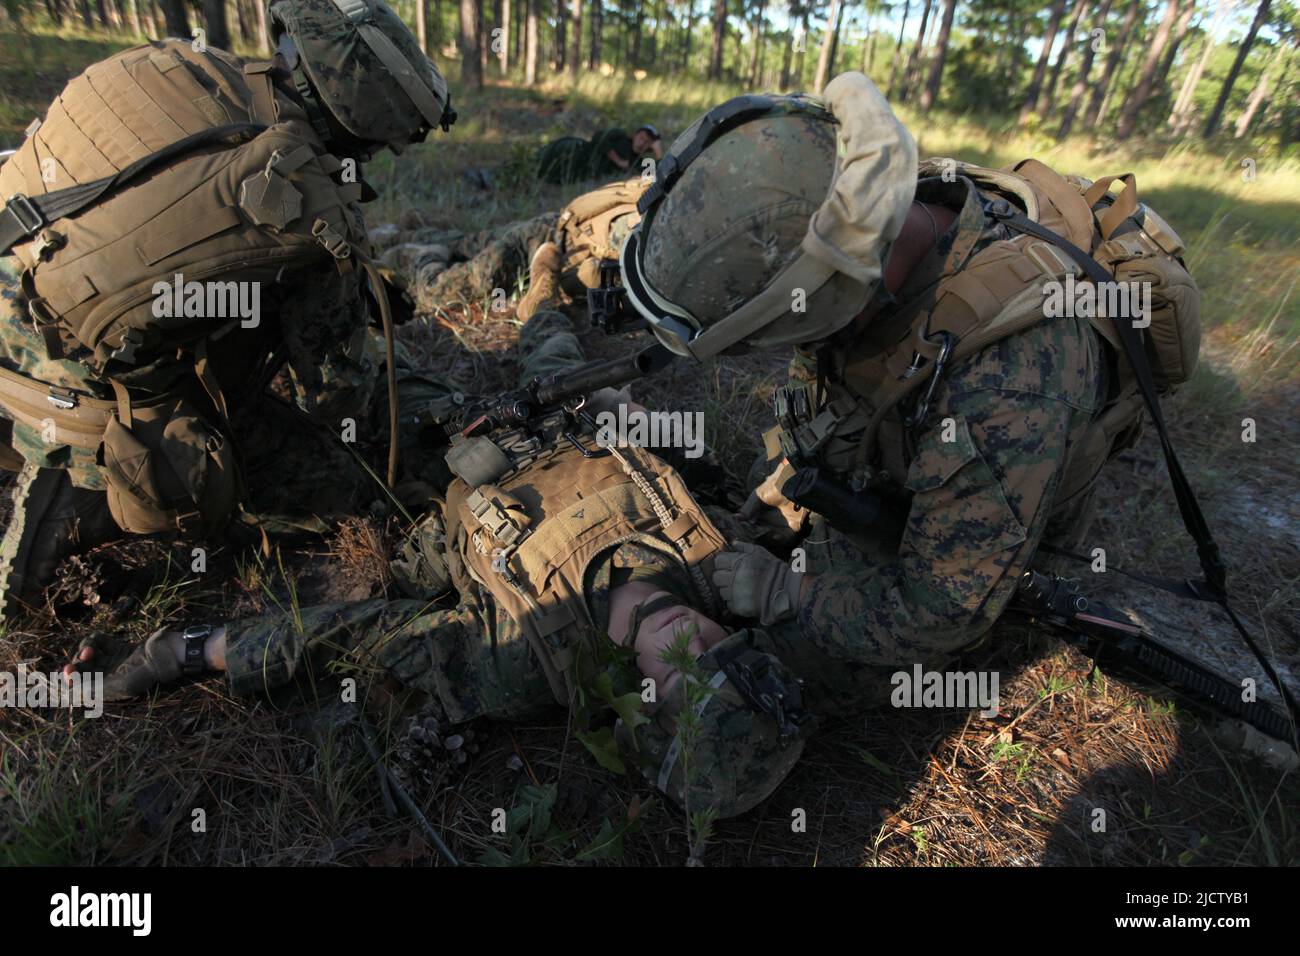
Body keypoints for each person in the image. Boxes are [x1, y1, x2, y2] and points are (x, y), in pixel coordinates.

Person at [71, 282, 815, 820]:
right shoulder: (728, 570)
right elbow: (804, 497)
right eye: (723, 651)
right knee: (548, 332)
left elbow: (346, 637)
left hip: (448, 449)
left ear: (636, 712)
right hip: (564, 407)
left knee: (313, 412)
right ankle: (544, 275)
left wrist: (183, 654)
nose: (693, 640)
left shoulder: (520, 650)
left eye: (687, 680)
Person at [617, 73, 1202, 684]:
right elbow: (833, 393)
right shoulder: (877, 227)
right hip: (929, 442)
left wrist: (784, 595)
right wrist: (779, 502)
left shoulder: (1008, 382)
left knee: (776, 669)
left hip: (990, 514)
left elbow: (940, 612)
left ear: (835, 291)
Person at [0, 0, 457, 621]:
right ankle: (81, 500)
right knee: (315, 481)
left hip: (13, 278)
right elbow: (336, 397)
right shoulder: (309, 208)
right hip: (64, 388)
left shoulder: (185, 64)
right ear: (360, 129)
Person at [379, 177, 649, 318]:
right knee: (443, 290)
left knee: (467, 243)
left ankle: (399, 235)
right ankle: (415, 253)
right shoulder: (650, 232)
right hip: (547, 238)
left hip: (553, 233)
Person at [537, 125, 663, 185]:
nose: (642, 144)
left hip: (575, 174)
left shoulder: (638, 162)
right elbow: (599, 137)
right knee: (535, 163)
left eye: (647, 143)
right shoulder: (620, 137)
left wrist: (657, 150)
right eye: (642, 138)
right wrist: (617, 159)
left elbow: (659, 170)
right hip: (571, 150)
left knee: (544, 179)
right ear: (635, 135)